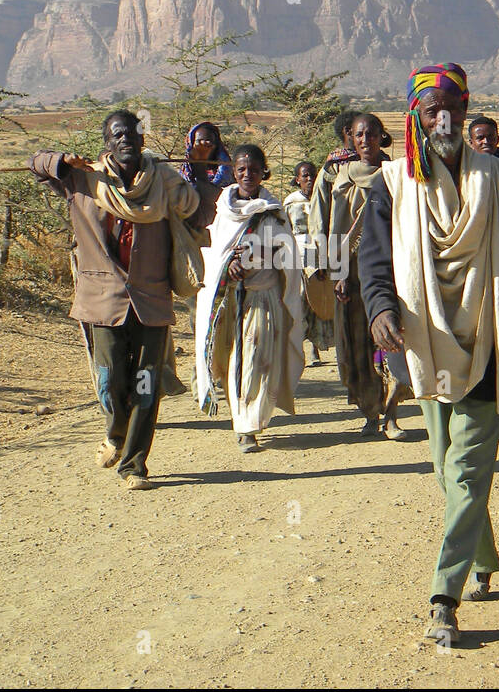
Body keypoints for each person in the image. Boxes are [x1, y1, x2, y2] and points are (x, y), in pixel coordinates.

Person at [358, 63, 499, 644]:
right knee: (447, 467)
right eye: (431, 107)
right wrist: (379, 309)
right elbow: (373, 259)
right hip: (422, 341)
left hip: (488, 336)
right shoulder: (392, 184)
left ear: (465, 113)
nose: (443, 117)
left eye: (453, 107)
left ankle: (445, 594)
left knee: (465, 471)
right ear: (414, 116)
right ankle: (483, 557)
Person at [29, 110, 201, 490]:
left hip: (151, 298)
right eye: (117, 135)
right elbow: (36, 165)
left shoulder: (165, 183)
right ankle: (115, 432)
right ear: (107, 143)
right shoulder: (82, 179)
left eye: (132, 134)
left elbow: (196, 207)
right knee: (109, 381)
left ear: (142, 139)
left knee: (146, 383)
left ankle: (135, 465)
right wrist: (60, 160)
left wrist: (202, 172)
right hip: (102, 300)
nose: (125, 140)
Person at [195, 145, 304, 453]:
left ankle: (249, 424)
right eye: (241, 169)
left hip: (264, 296)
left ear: (262, 172)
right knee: (234, 359)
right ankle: (242, 421)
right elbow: (216, 254)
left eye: (253, 170)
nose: (247, 175)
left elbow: (288, 252)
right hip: (231, 299)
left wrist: (263, 254)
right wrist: (228, 266)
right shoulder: (223, 211)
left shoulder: (272, 210)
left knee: (259, 359)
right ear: (234, 171)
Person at [312, 112, 410, 440]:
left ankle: (392, 412)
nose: (365, 140)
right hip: (349, 275)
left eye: (372, 134)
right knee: (358, 345)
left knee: (391, 339)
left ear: (382, 137)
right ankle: (370, 411)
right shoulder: (337, 175)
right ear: (351, 139)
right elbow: (325, 225)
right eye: (359, 135)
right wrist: (333, 273)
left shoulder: (397, 175)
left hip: (388, 269)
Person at [162, 121, 231, 395]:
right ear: (190, 144)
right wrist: (198, 171)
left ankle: (222, 370)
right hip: (195, 255)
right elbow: (190, 212)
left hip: (226, 253)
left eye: (210, 141)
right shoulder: (179, 180)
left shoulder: (232, 176)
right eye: (199, 141)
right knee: (199, 316)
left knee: (226, 314)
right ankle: (200, 373)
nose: (205, 146)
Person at [283, 160, 334, 366]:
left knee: (318, 302)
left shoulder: (324, 199)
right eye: (305, 176)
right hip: (298, 257)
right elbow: (285, 232)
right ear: (298, 180)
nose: (310, 179)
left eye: (313, 175)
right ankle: (297, 348)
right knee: (299, 301)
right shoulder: (290, 203)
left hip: (321, 256)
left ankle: (316, 347)